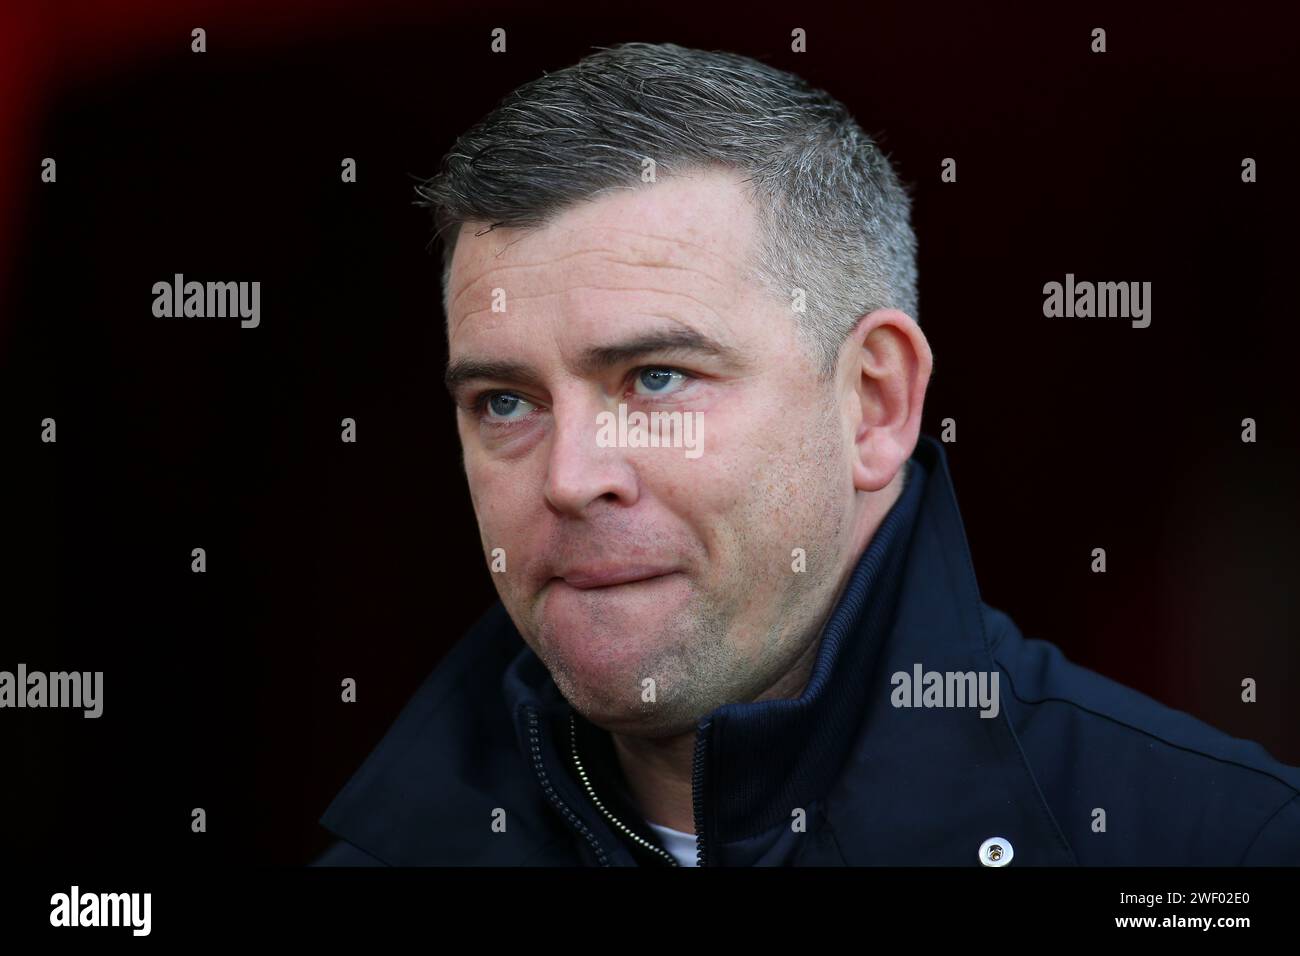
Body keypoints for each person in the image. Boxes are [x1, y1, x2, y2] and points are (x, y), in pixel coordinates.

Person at [313, 42, 1300, 866]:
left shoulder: (1213, 847)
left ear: (872, 402)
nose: (570, 477)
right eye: (505, 400)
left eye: (656, 378)